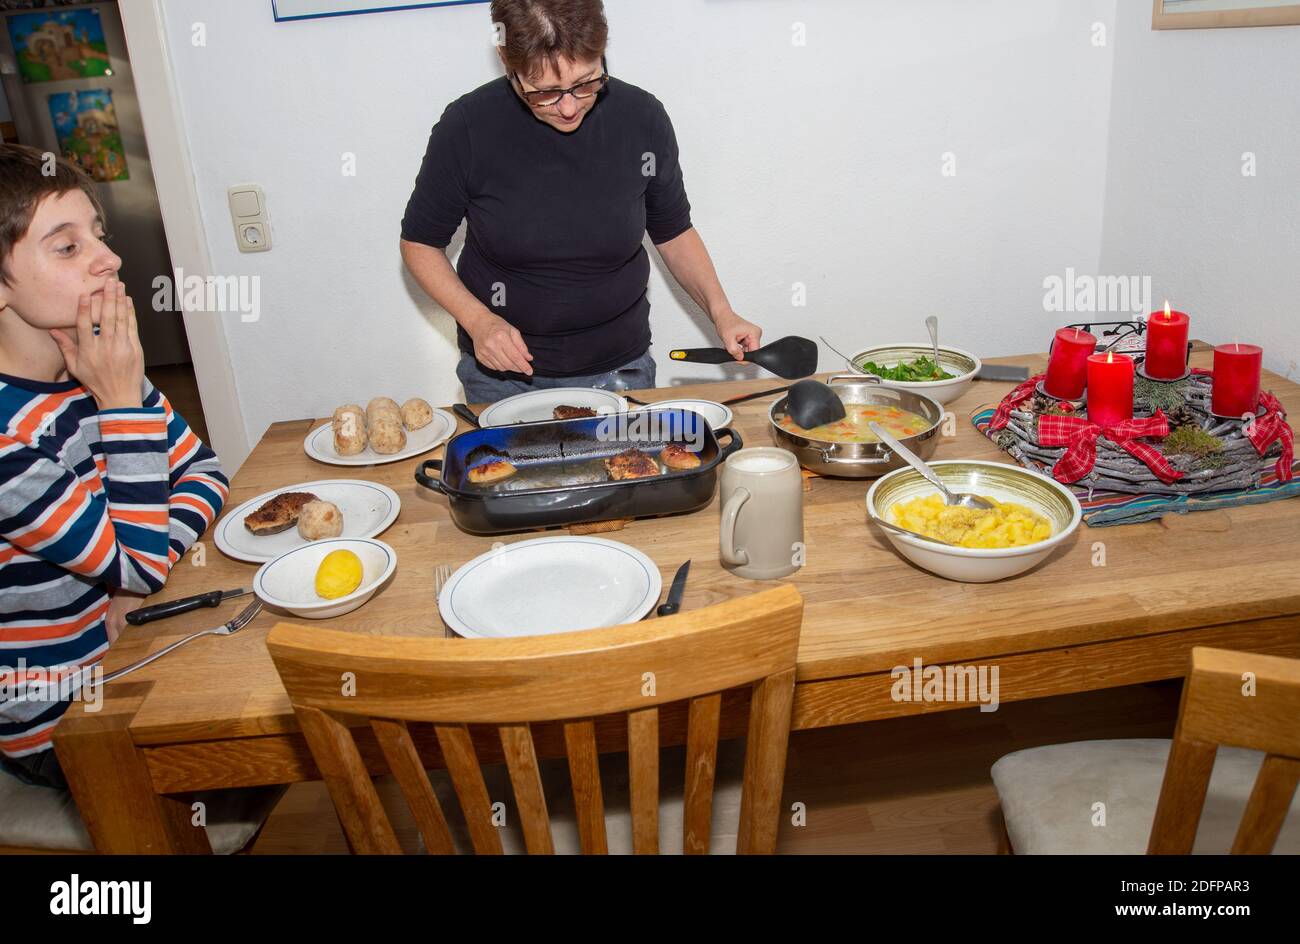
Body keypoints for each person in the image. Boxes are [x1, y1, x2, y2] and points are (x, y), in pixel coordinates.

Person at [0, 144, 227, 790]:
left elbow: (206, 474)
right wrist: (122, 401)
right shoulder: (15, 433)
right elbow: (139, 560)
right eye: (66, 247)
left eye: (97, 234)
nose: (110, 258)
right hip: (63, 720)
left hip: (136, 650)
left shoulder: (97, 370)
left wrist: (131, 579)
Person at [401, 0, 762, 403]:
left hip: (620, 372)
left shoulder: (642, 118)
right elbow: (419, 244)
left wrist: (722, 312)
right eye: (545, 93)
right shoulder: (467, 128)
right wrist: (478, 320)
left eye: (586, 83)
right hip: (504, 379)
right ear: (506, 61)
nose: (569, 107)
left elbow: (673, 231)